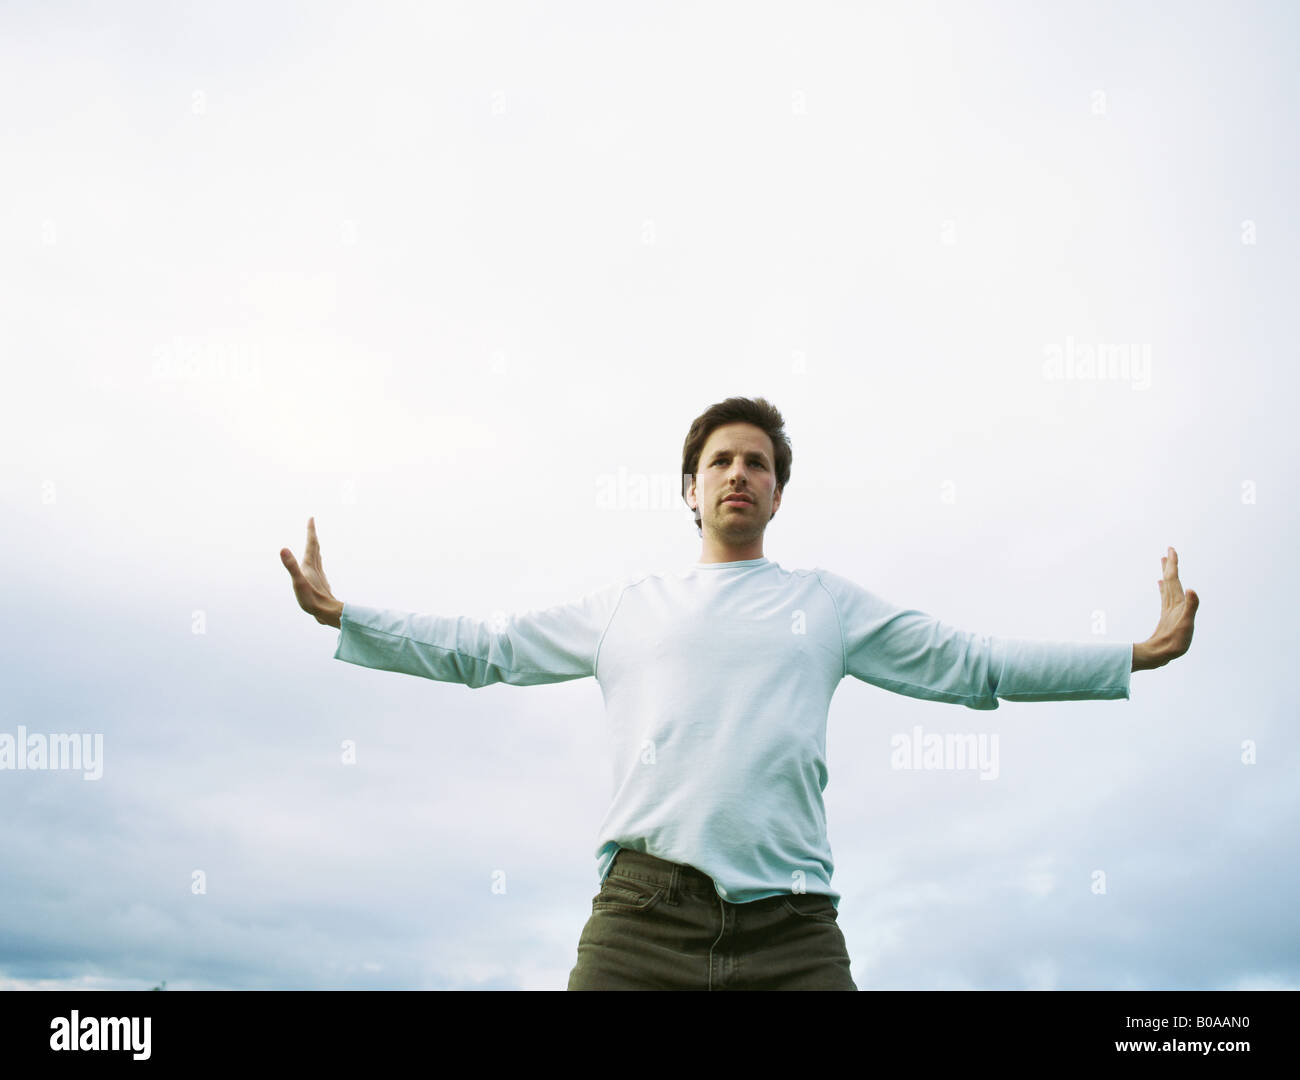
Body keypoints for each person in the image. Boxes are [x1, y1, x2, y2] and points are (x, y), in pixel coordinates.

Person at [280, 395, 1199, 990]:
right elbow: (486, 649)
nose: (738, 474)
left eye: (757, 463)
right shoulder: (628, 609)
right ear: (690, 489)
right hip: (641, 924)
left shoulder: (824, 605)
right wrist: (345, 615)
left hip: (793, 935)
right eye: (721, 461)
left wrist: (1134, 656)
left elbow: (973, 663)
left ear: (777, 495)